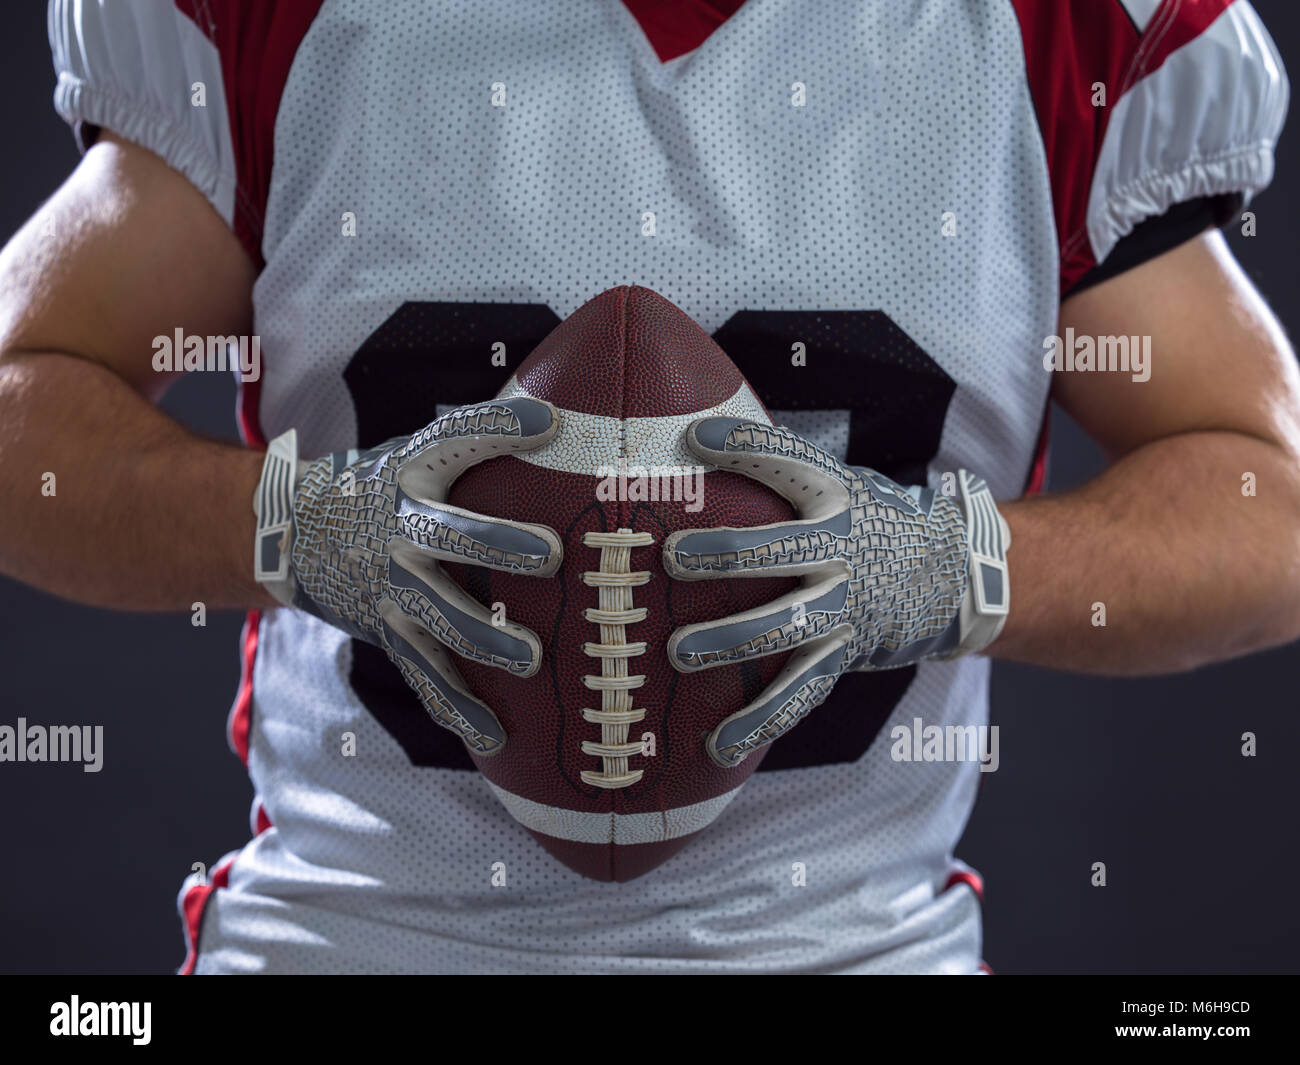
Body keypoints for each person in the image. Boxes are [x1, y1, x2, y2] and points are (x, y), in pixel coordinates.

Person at [0, 0, 1292, 973]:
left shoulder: (1050, 32)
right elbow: (19, 399)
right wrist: (301, 527)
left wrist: (948, 567)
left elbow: (1270, 503)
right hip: (354, 934)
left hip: (845, 950)